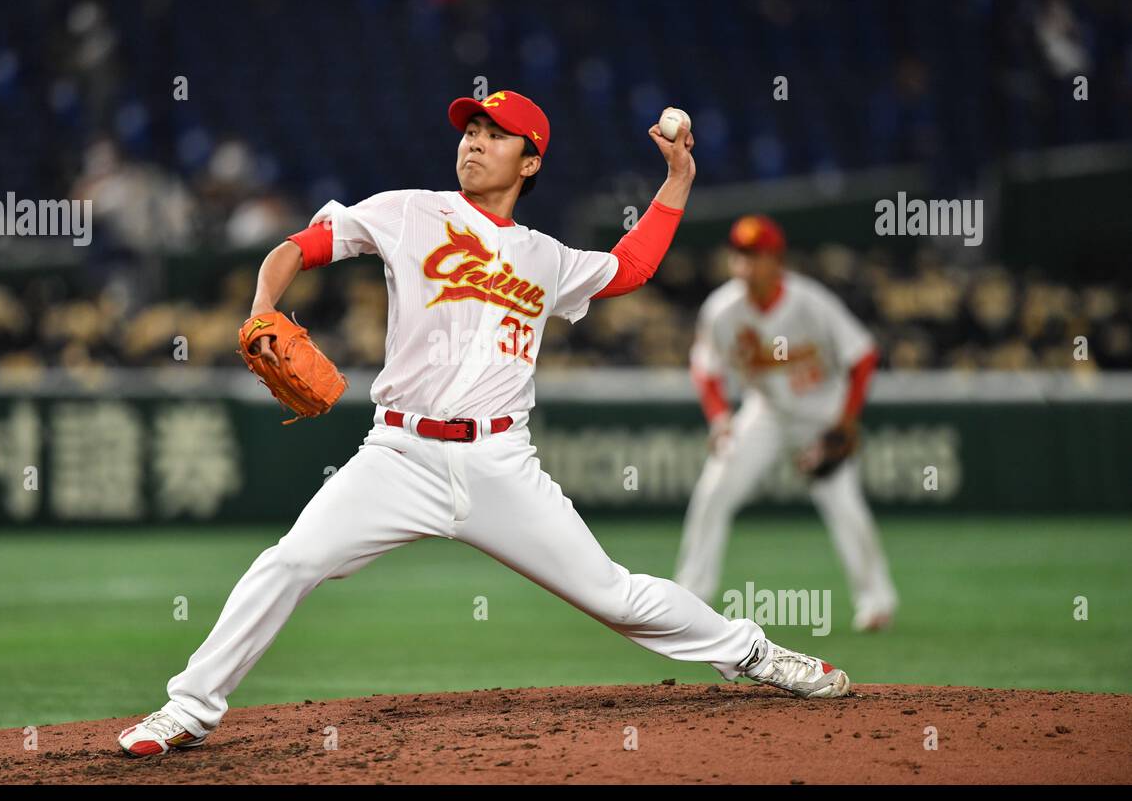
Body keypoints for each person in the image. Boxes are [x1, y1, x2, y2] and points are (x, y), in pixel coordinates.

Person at [118, 91, 851, 757]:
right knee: (292, 562)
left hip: (501, 463)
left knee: (614, 595)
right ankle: (188, 709)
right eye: (470, 128)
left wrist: (678, 182)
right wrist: (261, 309)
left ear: (530, 161)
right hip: (398, 454)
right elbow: (294, 250)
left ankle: (753, 653)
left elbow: (627, 269)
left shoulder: (544, 257)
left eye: (495, 134)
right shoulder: (410, 211)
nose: (473, 141)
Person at [675, 215, 899, 632]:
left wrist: (847, 422)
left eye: (755, 256)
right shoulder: (722, 310)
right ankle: (690, 596)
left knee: (845, 507)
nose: (746, 265)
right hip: (766, 412)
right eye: (740, 255)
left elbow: (863, 356)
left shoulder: (811, 302)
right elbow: (706, 370)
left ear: (776, 259)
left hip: (821, 415)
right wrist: (721, 417)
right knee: (714, 489)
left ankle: (876, 601)